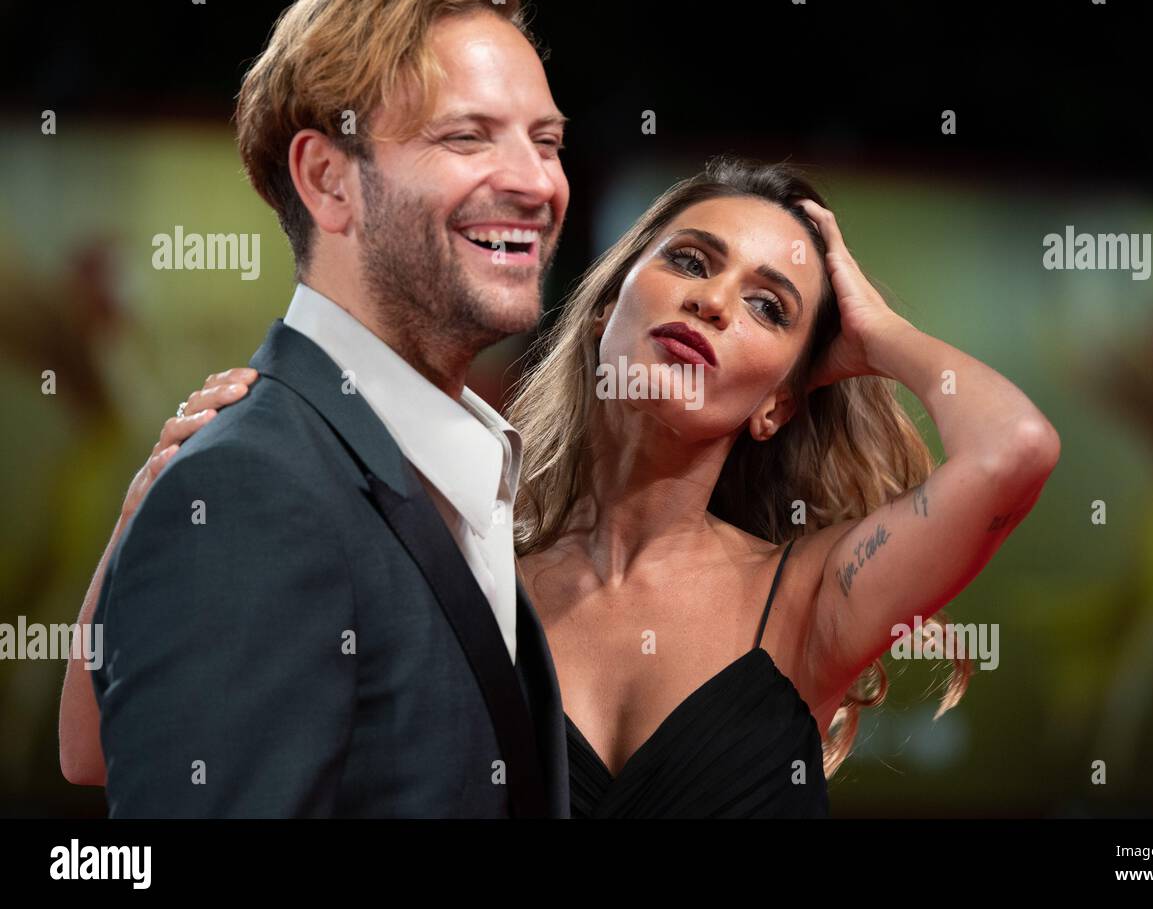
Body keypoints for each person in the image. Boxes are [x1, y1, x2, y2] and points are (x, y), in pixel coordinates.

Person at [62, 153, 1062, 816]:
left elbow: (1013, 451)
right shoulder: (455, 569)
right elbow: (100, 747)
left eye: (768, 306)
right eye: (689, 261)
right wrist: (146, 507)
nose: (713, 301)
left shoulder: (807, 601)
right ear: (606, 310)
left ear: (781, 404)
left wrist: (877, 333)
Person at [60, 0, 574, 816]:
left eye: (547, 140)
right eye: (467, 136)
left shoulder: (435, 464)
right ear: (329, 181)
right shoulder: (252, 489)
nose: (536, 181)